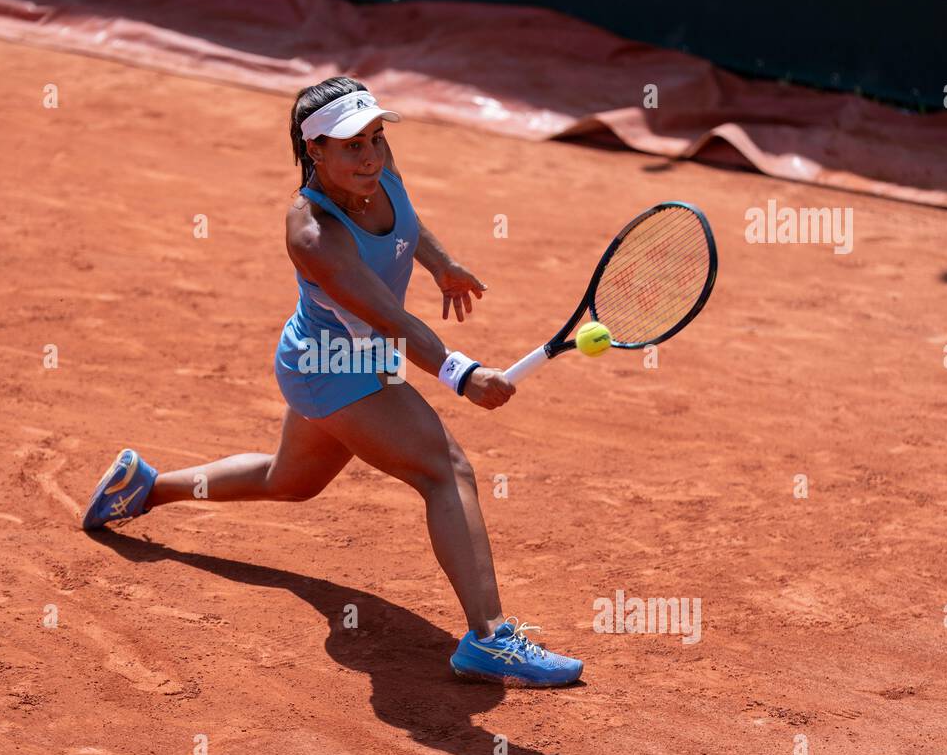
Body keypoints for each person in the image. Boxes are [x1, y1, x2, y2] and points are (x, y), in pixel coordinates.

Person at [81, 76, 583, 687]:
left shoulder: (375, 167)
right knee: (444, 469)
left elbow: (404, 216)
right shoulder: (312, 235)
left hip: (349, 359)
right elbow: (391, 321)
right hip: (331, 368)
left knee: (287, 481)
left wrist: (442, 264)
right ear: (314, 151)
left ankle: (146, 487)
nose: (370, 155)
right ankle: (489, 638)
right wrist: (463, 374)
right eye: (351, 145)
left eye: (375, 137)